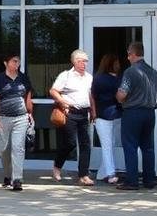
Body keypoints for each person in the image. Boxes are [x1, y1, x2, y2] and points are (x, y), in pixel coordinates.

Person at [116, 40, 157, 191]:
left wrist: (117, 96)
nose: (128, 57)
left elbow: (122, 94)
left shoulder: (131, 71)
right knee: (148, 147)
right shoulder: (154, 73)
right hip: (149, 113)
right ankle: (149, 180)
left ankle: (132, 181)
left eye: (129, 54)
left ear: (134, 54)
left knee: (130, 147)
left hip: (133, 112)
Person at [49, 48, 95, 186]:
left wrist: (93, 111)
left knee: (86, 144)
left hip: (84, 113)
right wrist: (63, 102)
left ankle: (83, 175)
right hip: (70, 113)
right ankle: (57, 166)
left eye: (86, 61)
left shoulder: (89, 77)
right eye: (81, 61)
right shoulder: (66, 75)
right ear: (74, 62)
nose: (84, 64)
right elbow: (53, 91)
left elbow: (90, 95)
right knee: (70, 143)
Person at [0, 52, 34, 191]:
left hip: (20, 118)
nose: (17, 64)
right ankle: (8, 174)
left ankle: (17, 179)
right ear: (6, 63)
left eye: (18, 62)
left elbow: (28, 95)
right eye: (14, 61)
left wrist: (29, 113)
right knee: (3, 149)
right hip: (3, 118)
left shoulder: (23, 78)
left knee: (18, 148)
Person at [91, 52, 123, 184]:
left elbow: (92, 96)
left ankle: (101, 173)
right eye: (116, 62)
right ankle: (110, 173)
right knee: (108, 145)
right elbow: (120, 97)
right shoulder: (115, 79)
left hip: (104, 115)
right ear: (111, 64)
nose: (119, 65)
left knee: (110, 144)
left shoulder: (98, 78)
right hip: (110, 115)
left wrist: (93, 113)